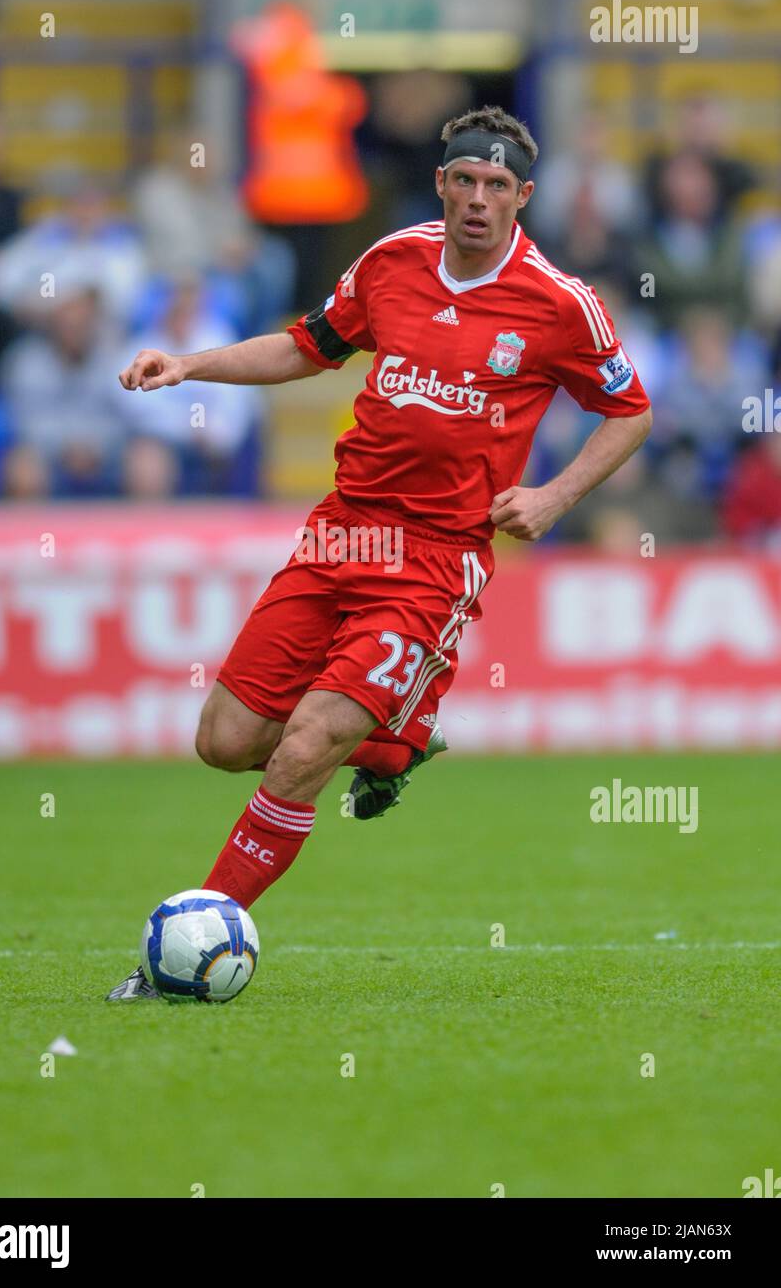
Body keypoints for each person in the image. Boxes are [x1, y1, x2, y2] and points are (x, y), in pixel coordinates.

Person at [107, 104, 653, 1001]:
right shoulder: (390, 261)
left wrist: (555, 496)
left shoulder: (560, 304)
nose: (479, 200)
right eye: (464, 181)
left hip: (435, 556)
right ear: (442, 184)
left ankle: (183, 955)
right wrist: (190, 365)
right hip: (339, 530)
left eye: (498, 187)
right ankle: (394, 746)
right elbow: (307, 348)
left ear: (523, 197)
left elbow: (628, 411)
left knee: (305, 747)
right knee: (226, 740)